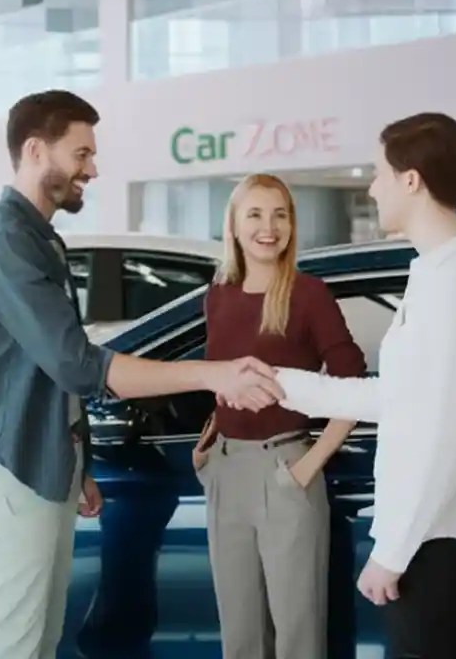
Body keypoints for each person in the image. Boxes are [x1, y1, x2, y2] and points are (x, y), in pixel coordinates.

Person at [0, 89, 284, 659]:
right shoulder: (4, 239)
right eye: (81, 154)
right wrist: (213, 375)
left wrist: (77, 462)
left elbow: (49, 368)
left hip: (42, 467)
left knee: (36, 643)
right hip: (12, 469)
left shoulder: (37, 236)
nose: (92, 169)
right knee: (13, 648)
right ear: (35, 150)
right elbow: (78, 365)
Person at [270, 112, 456, 659]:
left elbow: (445, 435)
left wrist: (393, 552)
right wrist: (278, 384)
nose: (372, 186)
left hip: (437, 541)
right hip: (432, 535)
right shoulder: (436, 271)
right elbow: (396, 398)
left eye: (381, 172)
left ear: (412, 180)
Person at [192, 173, 367, 659]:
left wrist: (309, 465)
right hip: (226, 472)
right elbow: (223, 373)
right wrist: (210, 438)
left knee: (297, 639)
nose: (268, 227)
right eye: (255, 214)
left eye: (280, 214)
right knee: (241, 639)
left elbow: (354, 386)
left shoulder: (309, 295)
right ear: (233, 224)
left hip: (285, 470)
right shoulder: (219, 294)